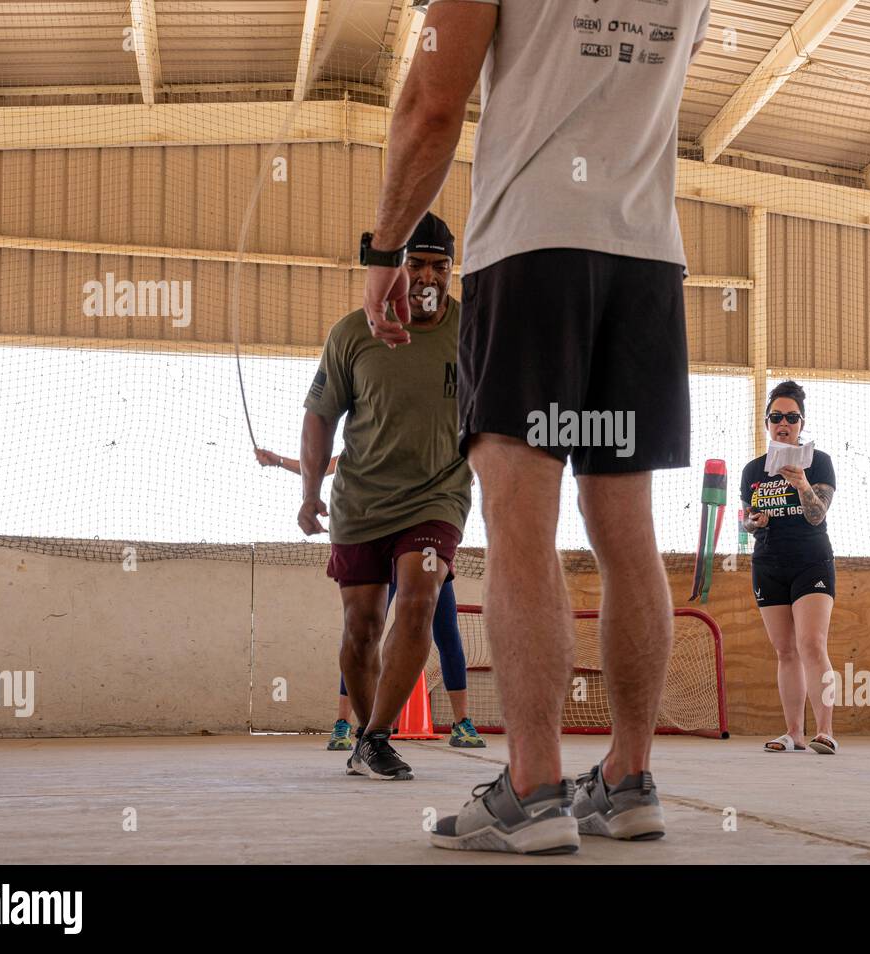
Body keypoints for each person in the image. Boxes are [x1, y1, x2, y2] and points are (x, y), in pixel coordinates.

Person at [360, 0, 711, 853]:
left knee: (523, 522)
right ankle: (628, 780)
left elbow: (430, 107)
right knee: (627, 533)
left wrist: (385, 251)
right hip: (645, 256)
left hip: (532, 249)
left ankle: (535, 786)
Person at [301, 211, 474, 779]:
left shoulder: (472, 329)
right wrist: (309, 494)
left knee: (421, 597)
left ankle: (376, 736)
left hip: (437, 497)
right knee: (362, 626)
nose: (426, 276)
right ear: (390, 267)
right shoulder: (352, 333)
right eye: (414, 263)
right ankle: (361, 734)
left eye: (438, 265)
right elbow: (319, 419)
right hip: (361, 501)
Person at [255, 447, 483, 750]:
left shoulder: (440, 437)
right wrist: (280, 462)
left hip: (425, 543)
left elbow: (469, 471)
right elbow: (327, 463)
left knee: (447, 634)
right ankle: (343, 724)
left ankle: (463, 723)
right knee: (361, 632)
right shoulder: (375, 438)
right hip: (383, 541)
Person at [741, 382, 838, 756]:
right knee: (785, 651)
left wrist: (801, 485)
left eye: (792, 417)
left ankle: (825, 731)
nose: (784, 423)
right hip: (768, 563)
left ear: (802, 424)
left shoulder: (819, 462)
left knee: (812, 643)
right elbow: (747, 521)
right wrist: (755, 523)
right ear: (768, 424)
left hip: (810, 560)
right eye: (777, 417)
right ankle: (794, 733)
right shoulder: (753, 470)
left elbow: (817, 515)